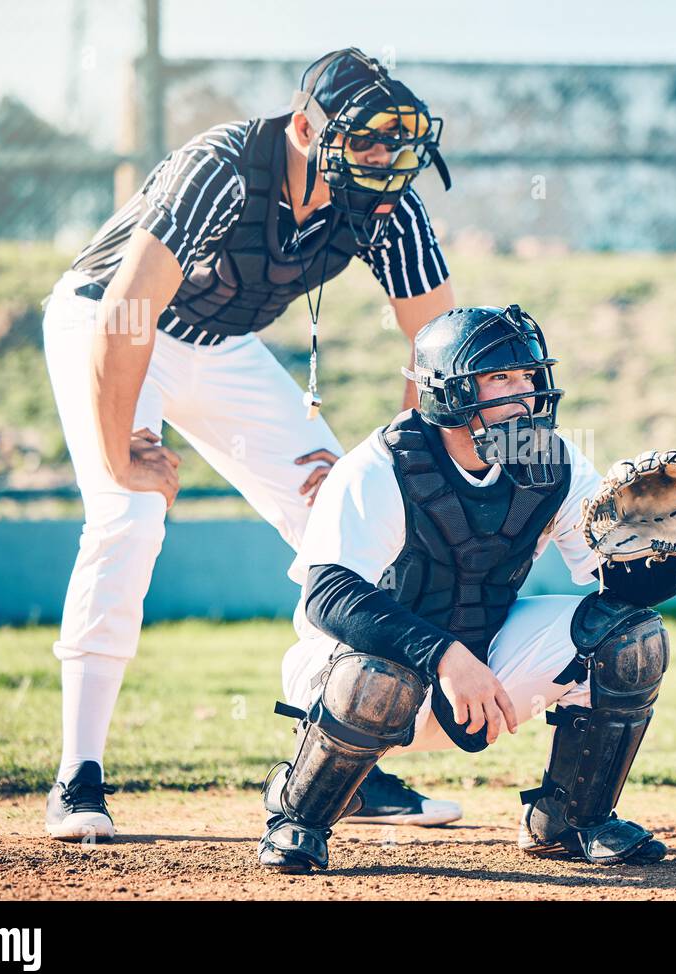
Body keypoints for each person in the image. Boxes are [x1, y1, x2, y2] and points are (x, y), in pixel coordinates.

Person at [43, 48, 460, 841]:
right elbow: (126, 312)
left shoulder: (388, 207)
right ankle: (78, 773)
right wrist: (120, 455)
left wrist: (384, 471)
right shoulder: (223, 168)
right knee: (127, 516)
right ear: (306, 129)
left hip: (221, 344)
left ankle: (338, 754)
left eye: (392, 142)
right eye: (362, 140)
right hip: (111, 323)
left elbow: (436, 346)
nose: (380, 159)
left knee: (353, 519)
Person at [256, 304, 676, 872]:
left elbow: (618, 586)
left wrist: (675, 549)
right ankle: (298, 817)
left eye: (529, 377)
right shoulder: (379, 467)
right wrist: (445, 656)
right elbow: (328, 595)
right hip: (349, 686)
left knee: (631, 637)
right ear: (449, 390)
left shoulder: (550, 462)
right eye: (501, 377)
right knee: (378, 674)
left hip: (482, 677)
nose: (523, 395)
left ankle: (569, 819)